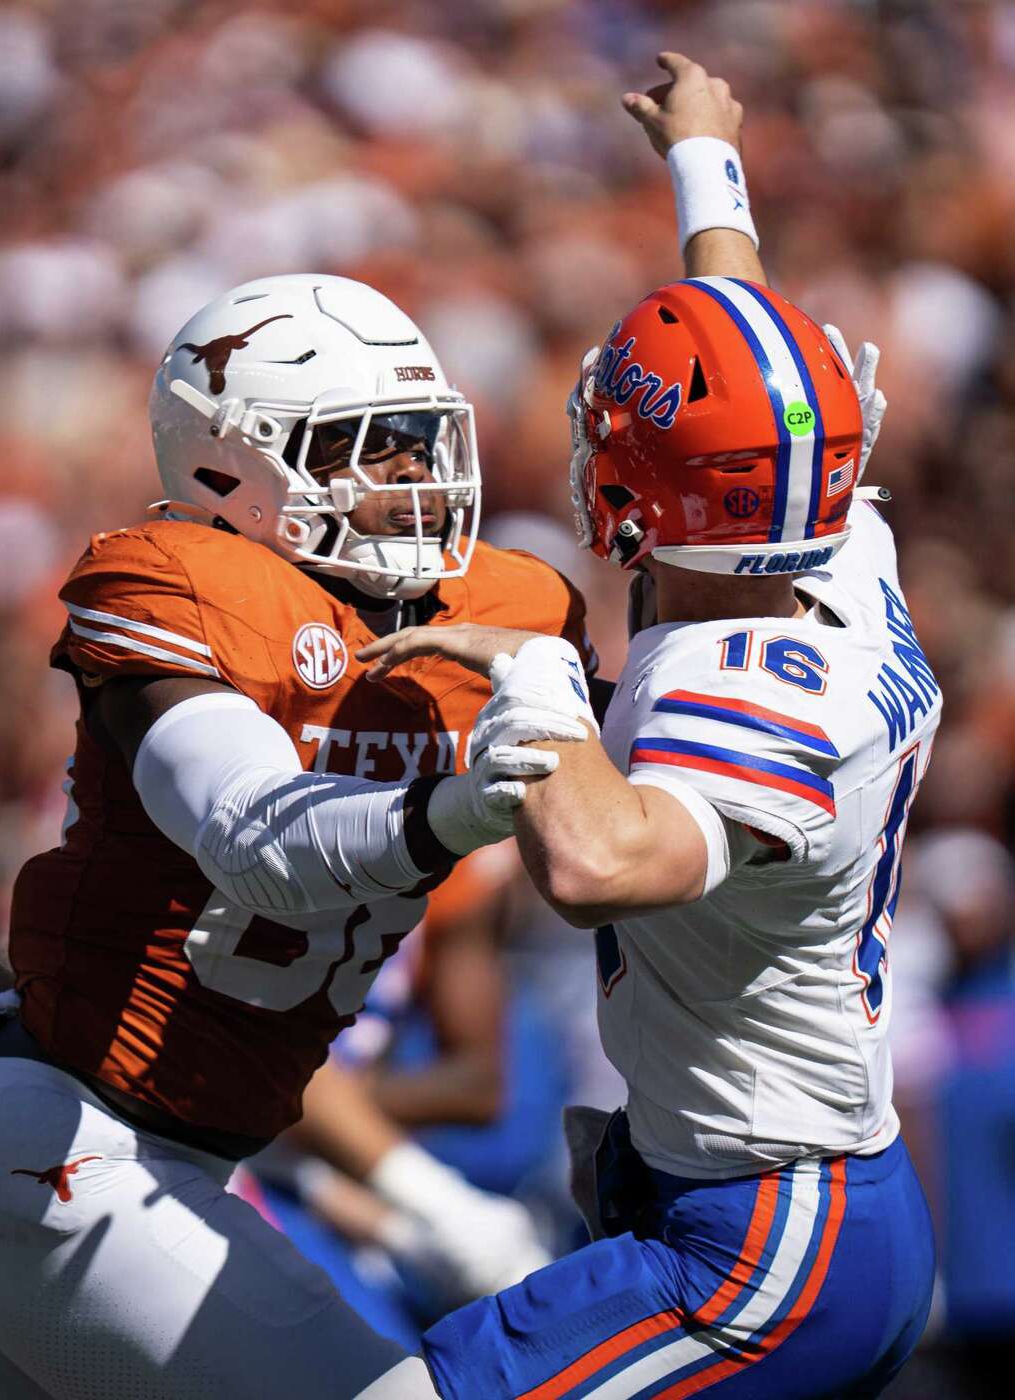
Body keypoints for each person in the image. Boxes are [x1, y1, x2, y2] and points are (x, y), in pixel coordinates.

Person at [362, 53, 941, 1398]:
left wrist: (543, 678)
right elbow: (754, 386)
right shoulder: (839, 544)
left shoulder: (743, 683)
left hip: (765, 1253)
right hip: (774, 1188)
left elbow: (599, 864)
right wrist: (703, 161)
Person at [0, 273, 592, 1398]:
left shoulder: (502, 611)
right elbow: (255, 838)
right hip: (72, 1140)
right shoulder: (178, 583)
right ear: (225, 468)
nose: (412, 471)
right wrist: (465, 806)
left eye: (420, 435)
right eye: (365, 442)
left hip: (174, 1153)